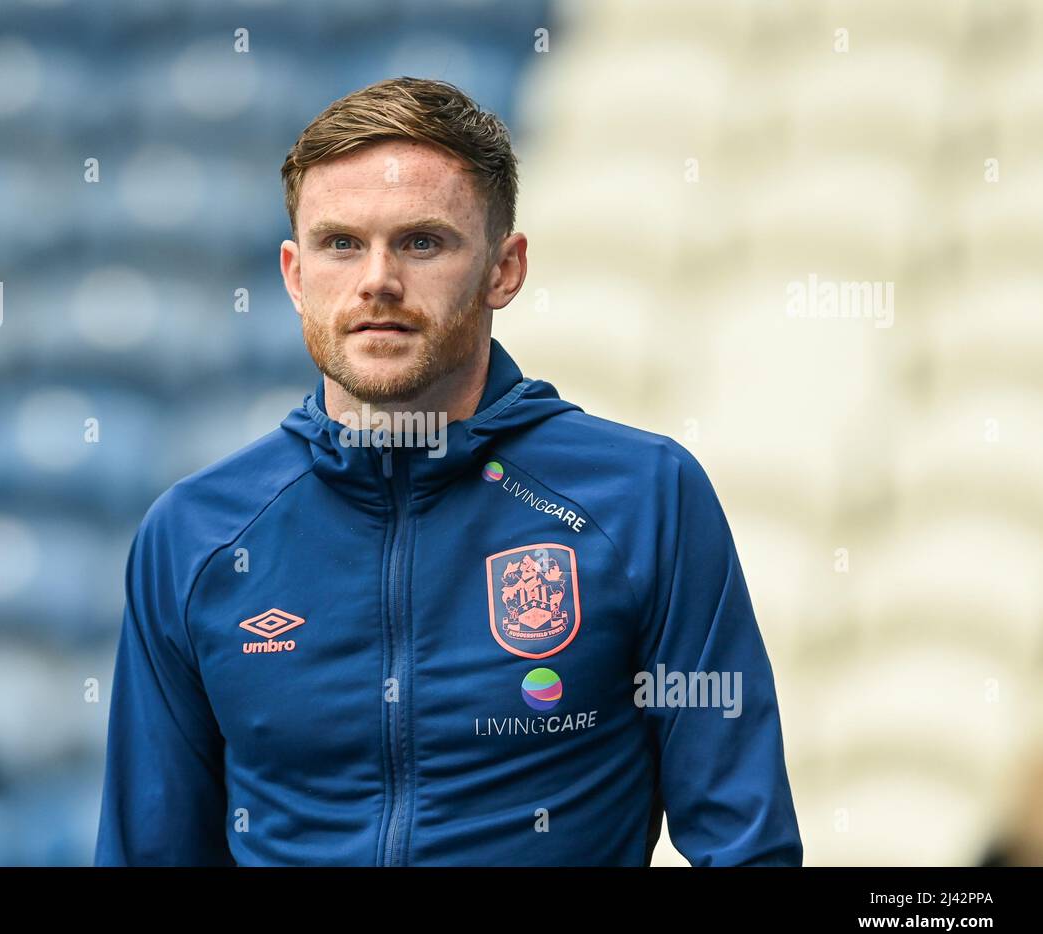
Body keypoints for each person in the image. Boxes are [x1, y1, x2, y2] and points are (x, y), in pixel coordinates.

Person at [94, 76, 802, 866]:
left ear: (505, 268)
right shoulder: (196, 535)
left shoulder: (645, 497)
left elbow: (746, 845)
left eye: (422, 242)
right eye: (341, 244)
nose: (377, 281)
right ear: (295, 275)